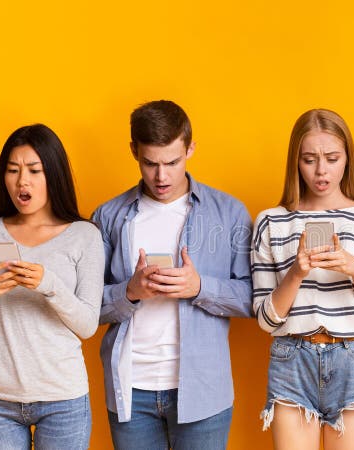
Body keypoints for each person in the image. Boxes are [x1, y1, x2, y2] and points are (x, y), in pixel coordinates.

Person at [92, 100, 253, 449]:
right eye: (150, 163)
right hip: (131, 392)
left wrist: (199, 287)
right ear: (133, 150)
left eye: (172, 162)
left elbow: (254, 298)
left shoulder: (228, 212)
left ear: (190, 148)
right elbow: (86, 309)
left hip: (203, 391)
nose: (161, 176)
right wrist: (129, 292)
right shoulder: (107, 216)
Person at [0, 124, 103, 449]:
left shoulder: (85, 235)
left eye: (34, 170)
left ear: (54, 174)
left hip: (63, 399)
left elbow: (88, 324)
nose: (23, 181)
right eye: (13, 170)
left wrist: (49, 284)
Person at [252, 109, 354, 450]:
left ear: (348, 158)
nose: (321, 171)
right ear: (295, 162)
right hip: (292, 357)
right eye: (309, 159)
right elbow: (266, 320)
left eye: (332, 158)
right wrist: (296, 273)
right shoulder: (272, 222)